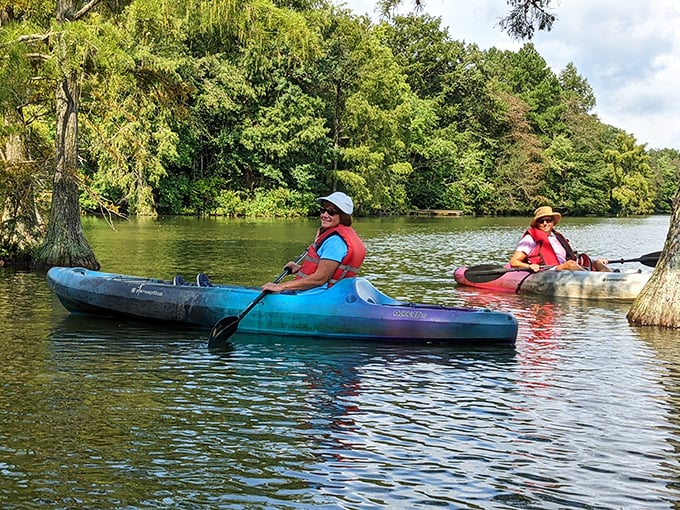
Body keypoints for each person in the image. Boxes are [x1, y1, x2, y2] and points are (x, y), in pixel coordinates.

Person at [262, 191, 366, 292]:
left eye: (331, 212)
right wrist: (300, 268)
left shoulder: (335, 242)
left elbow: (319, 279)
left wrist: (280, 287)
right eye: (323, 210)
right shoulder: (334, 237)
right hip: (320, 293)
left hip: (316, 295)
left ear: (343, 217)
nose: (325, 215)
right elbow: (328, 270)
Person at [509, 206, 611, 272]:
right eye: (541, 221)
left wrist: (593, 260)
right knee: (570, 264)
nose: (545, 223)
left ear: (553, 222)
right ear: (536, 223)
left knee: (597, 262)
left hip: (564, 268)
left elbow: (570, 256)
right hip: (548, 271)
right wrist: (529, 266)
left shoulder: (557, 237)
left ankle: (613, 279)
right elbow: (514, 262)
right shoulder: (529, 239)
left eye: (548, 220)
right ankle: (591, 280)